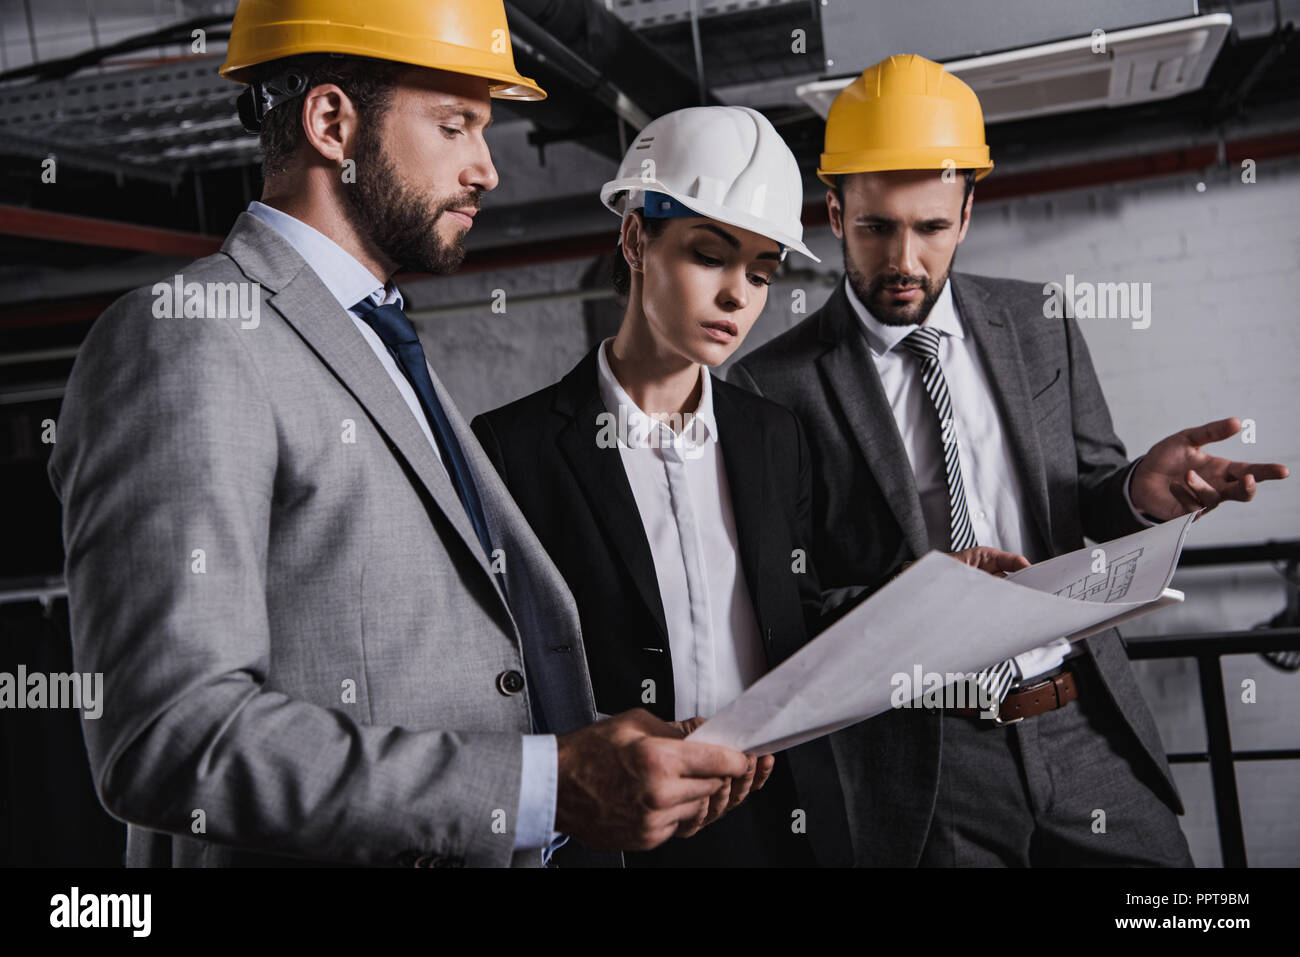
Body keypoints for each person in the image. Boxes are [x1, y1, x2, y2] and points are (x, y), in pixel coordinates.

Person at [47, 0, 755, 869]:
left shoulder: (377, 340)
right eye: (456, 126)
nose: (488, 170)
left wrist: (590, 752)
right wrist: (539, 786)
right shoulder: (190, 336)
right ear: (332, 123)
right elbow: (170, 736)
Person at [728, 54, 1291, 867]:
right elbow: (792, 602)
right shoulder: (770, 384)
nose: (904, 262)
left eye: (930, 228)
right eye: (876, 228)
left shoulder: (1040, 322)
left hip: (1082, 723)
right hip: (926, 763)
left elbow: (1083, 503)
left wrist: (1138, 493)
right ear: (834, 209)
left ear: (967, 211)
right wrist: (932, 597)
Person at [471, 105, 1026, 866]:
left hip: (774, 813)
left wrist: (925, 592)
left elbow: (797, 619)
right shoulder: (512, 448)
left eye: (761, 272)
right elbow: (502, 671)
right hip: (619, 825)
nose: (740, 296)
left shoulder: (772, 436)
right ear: (636, 239)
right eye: (710, 256)